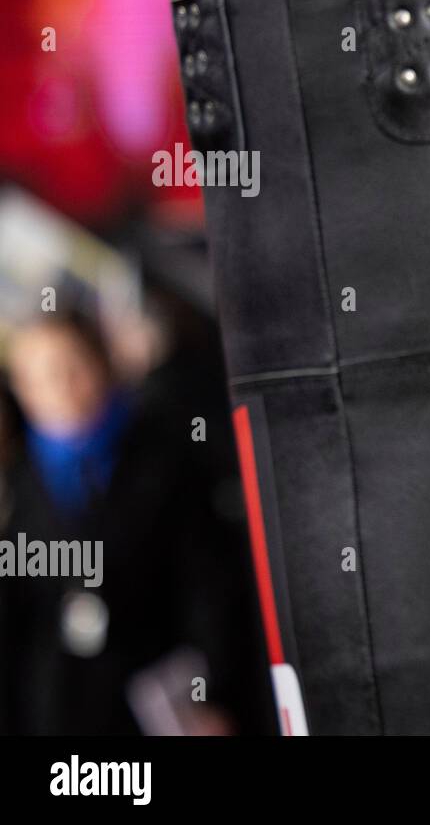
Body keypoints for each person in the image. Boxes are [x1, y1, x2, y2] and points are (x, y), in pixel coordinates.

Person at [0, 308, 273, 734]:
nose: (61, 388)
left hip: (164, 700)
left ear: (101, 362)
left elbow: (212, 588)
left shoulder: (167, 456)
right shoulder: (19, 486)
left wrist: (214, 692)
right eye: (40, 377)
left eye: (72, 367)